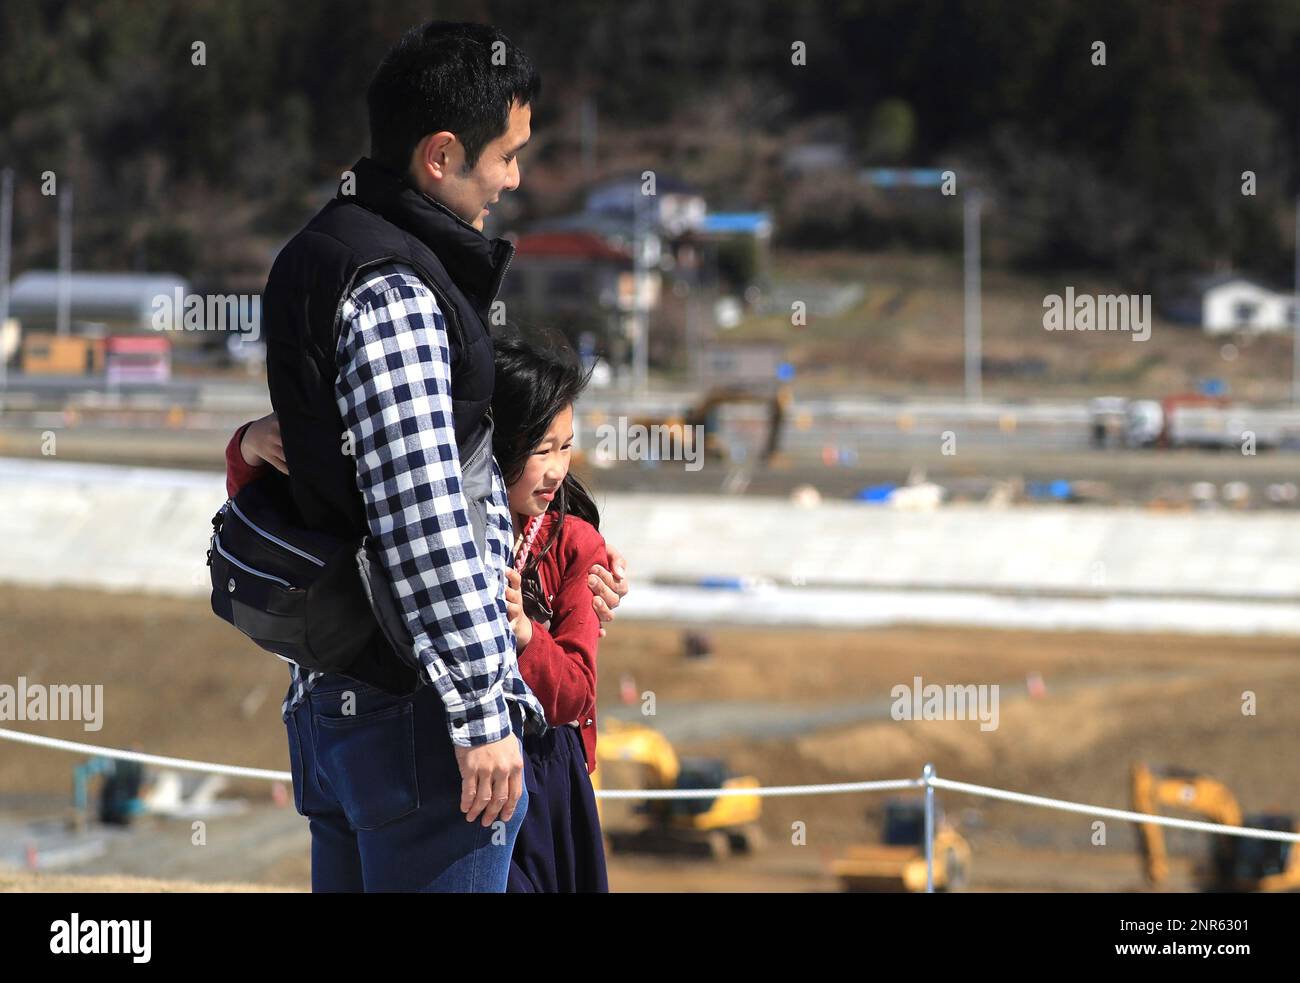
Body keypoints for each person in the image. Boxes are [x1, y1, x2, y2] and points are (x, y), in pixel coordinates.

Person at [250, 20, 628, 891]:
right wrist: (477, 713)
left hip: (333, 699)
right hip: (417, 721)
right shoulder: (399, 289)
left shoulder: (319, 256)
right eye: (507, 154)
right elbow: (423, 514)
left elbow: (326, 465)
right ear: (443, 153)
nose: (515, 178)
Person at [228, 334, 612, 892]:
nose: (556, 470)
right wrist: (245, 446)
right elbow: (273, 519)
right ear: (490, 444)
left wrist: (527, 635)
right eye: (539, 449)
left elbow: (577, 692)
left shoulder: (574, 545)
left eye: (565, 447)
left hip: (534, 782)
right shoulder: (428, 523)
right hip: (442, 760)